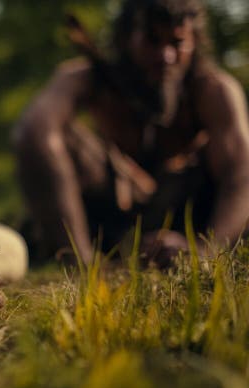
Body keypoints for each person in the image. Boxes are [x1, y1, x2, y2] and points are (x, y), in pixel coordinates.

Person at [14, 0, 249, 266]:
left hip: (187, 211)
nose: (166, 56)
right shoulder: (86, 78)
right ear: (126, 39)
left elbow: (241, 174)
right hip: (112, 213)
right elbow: (34, 132)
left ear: (194, 42)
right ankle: (74, 255)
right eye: (152, 40)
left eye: (177, 43)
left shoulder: (214, 91)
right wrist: (81, 260)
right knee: (48, 136)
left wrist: (205, 254)